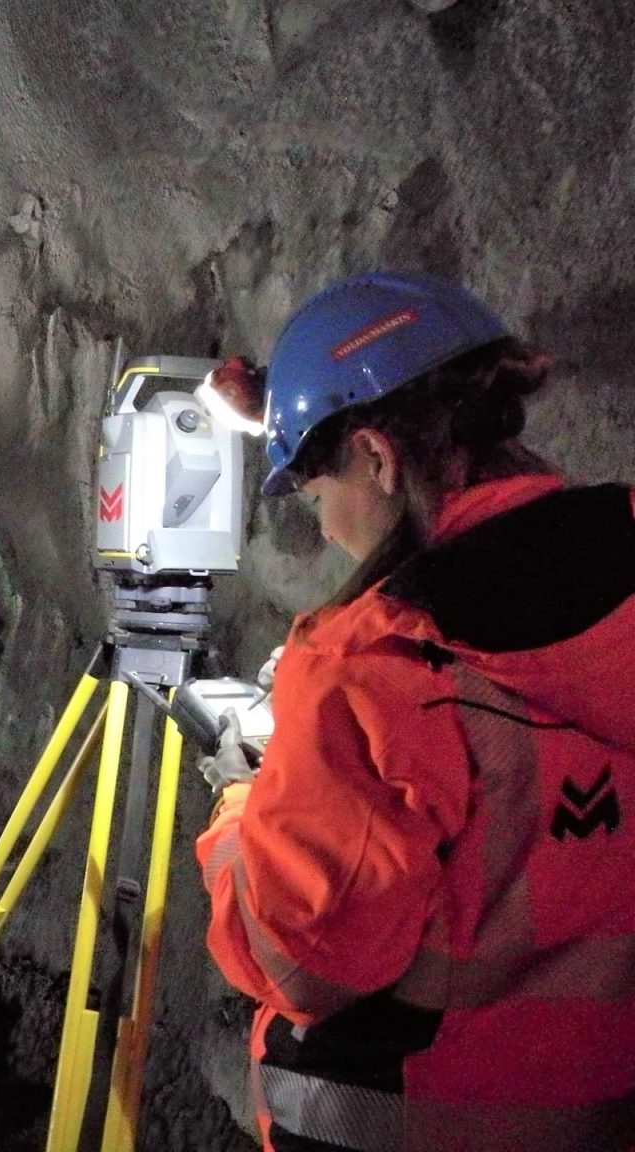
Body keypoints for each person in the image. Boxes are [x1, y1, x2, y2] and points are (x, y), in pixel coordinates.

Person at [194, 271, 635, 1151]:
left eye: (316, 496)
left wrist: (242, 806)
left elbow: (300, 961)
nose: (325, 529)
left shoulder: (375, 671)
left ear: (376, 457)